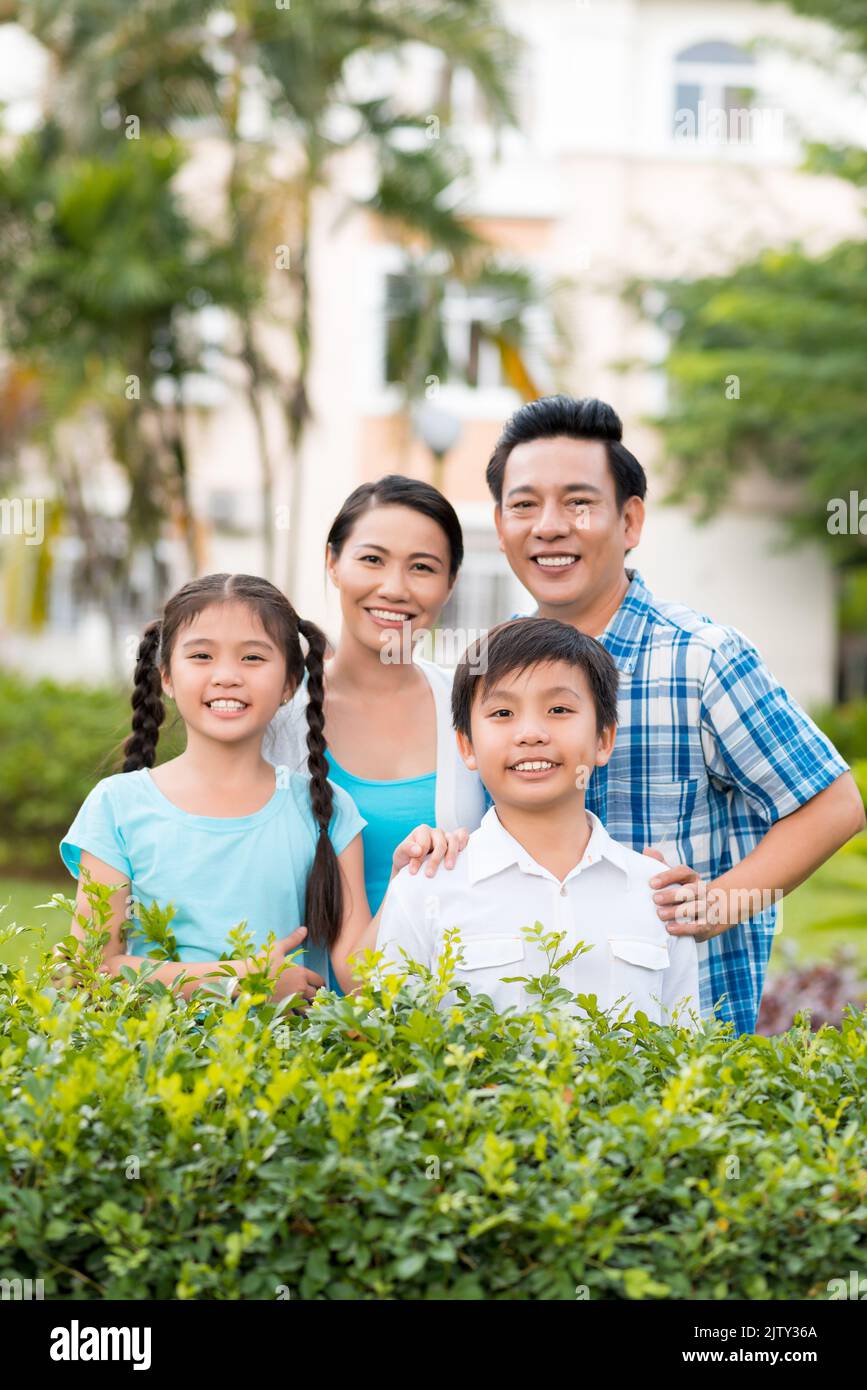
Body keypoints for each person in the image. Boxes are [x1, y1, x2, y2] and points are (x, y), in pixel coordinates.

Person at [485, 394, 865, 1034]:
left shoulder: (704, 659)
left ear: (630, 522)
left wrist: (719, 903)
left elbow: (834, 805)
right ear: (500, 526)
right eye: (524, 504)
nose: (548, 526)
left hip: (681, 1052)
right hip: (531, 1038)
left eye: (579, 502)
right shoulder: (492, 668)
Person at [60, 573, 466, 1002]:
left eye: (253, 658)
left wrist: (405, 882)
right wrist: (239, 982)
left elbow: (358, 980)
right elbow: (89, 971)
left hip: (284, 1066)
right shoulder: (116, 806)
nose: (227, 676)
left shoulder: (327, 809)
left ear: (291, 683)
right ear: (166, 676)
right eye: (201, 655)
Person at [376, 618, 699, 1028]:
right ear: (466, 745)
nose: (530, 733)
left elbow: (685, 1055)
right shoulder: (425, 887)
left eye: (559, 709)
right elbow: (394, 1050)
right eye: (503, 712)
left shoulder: (658, 895)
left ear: (603, 739)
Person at [263, 476, 487, 928]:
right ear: (333, 562)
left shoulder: (477, 712)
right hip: (297, 994)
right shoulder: (274, 716)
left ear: (451, 582)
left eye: (422, 567)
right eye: (372, 560)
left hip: (443, 995)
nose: (394, 588)